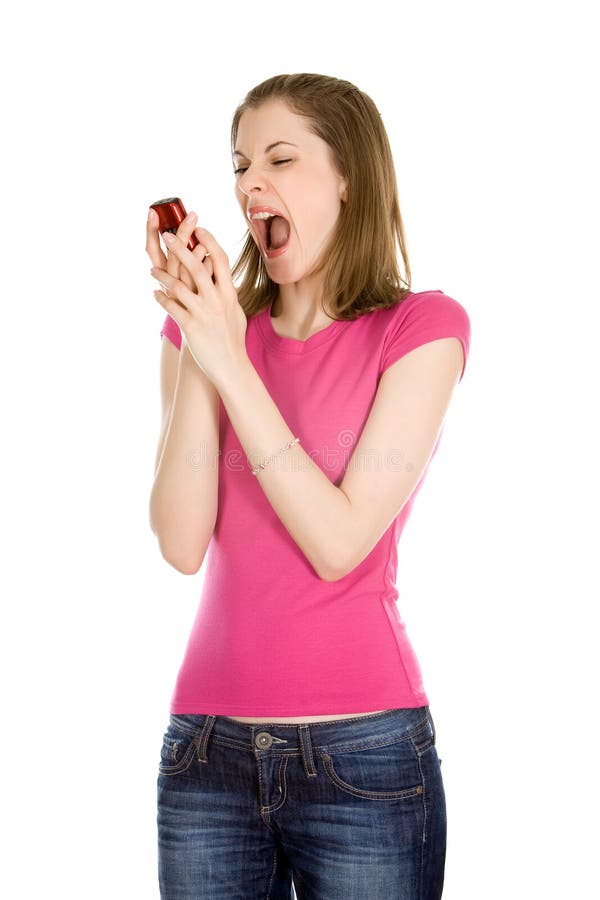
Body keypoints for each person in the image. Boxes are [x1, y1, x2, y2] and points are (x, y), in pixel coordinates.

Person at [146, 72, 470, 900]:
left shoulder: (421, 330)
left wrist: (225, 353)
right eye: (240, 165)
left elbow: (338, 542)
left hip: (364, 760)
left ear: (349, 178)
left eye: (280, 160)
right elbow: (182, 543)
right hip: (205, 758)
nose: (250, 185)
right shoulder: (205, 336)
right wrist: (204, 339)